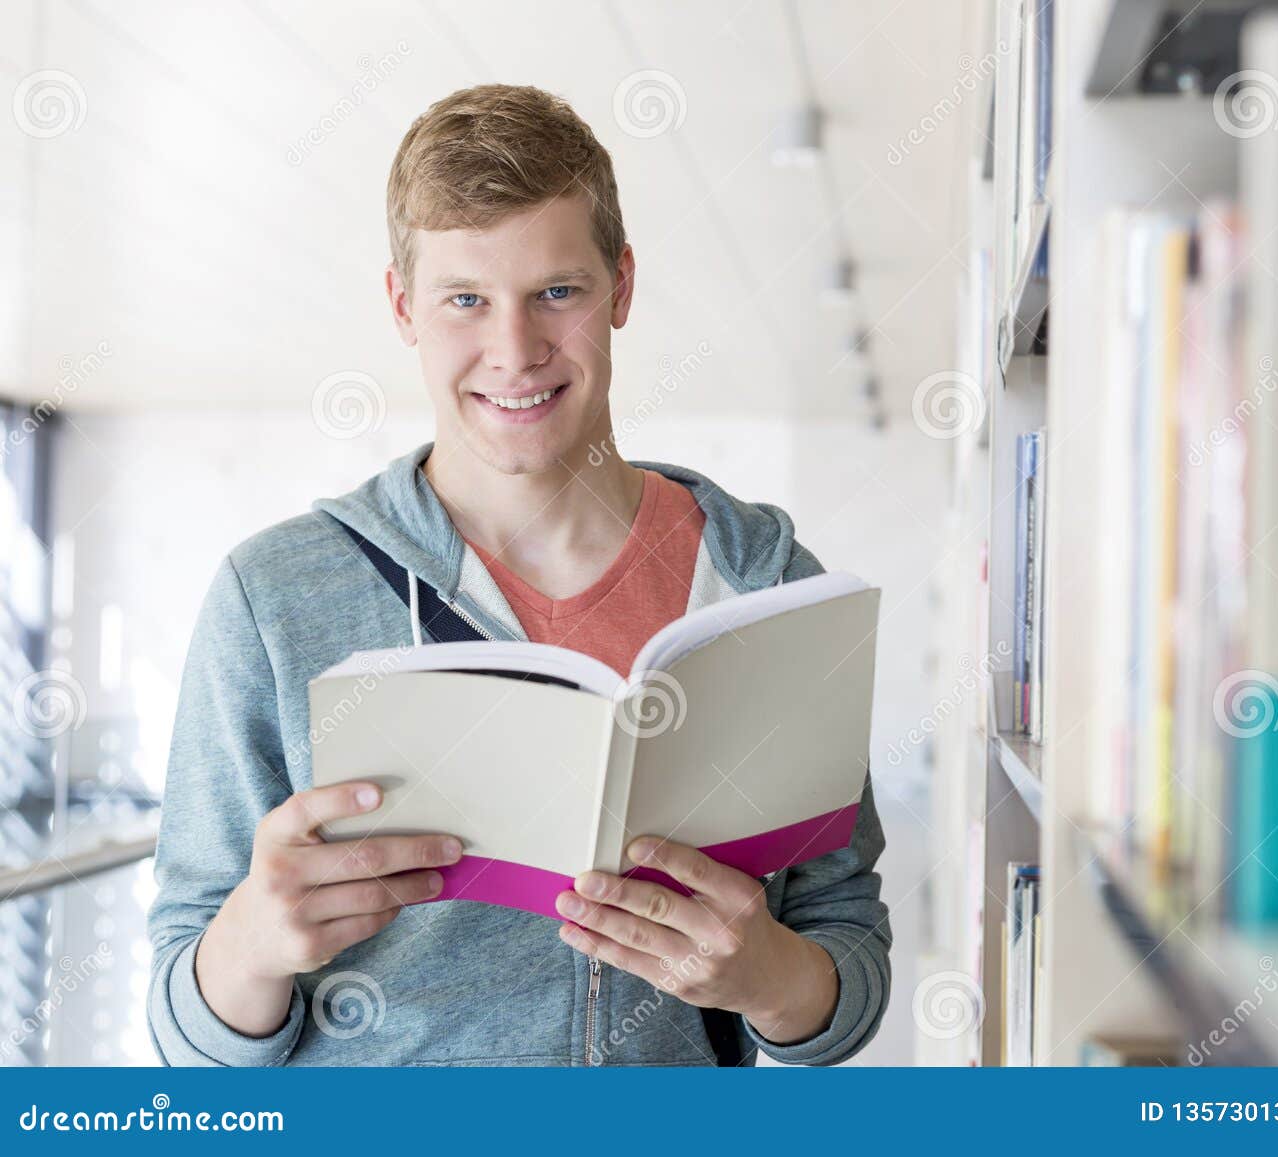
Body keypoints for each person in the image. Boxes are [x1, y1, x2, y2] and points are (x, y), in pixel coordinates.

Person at [145, 84, 891, 1067]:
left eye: (558, 291)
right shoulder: (272, 598)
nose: (515, 350)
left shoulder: (763, 586)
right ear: (403, 306)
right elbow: (181, 1028)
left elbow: (847, 953)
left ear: (620, 286)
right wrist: (248, 943)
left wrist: (764, 975)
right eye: (466, 300)